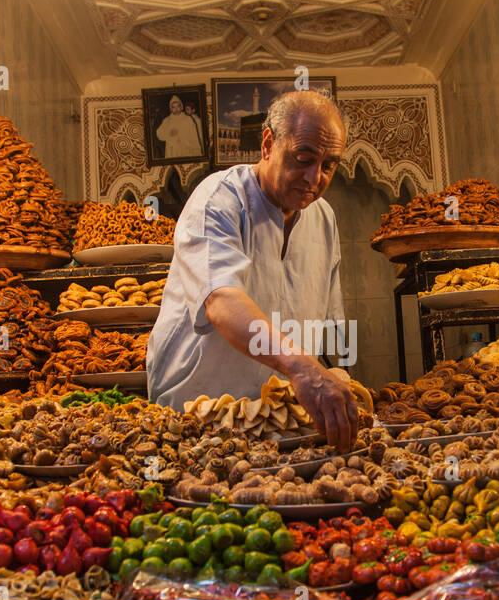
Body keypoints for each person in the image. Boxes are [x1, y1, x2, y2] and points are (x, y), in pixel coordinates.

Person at [147, 89, 362, 450]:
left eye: (329, 166)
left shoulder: (323, 218)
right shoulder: (219, 200)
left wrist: (338, 379)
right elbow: (221, 300)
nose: (314, 178)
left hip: (278, 422)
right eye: (303, 158)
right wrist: (302, 368)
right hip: (197, 415)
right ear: (267, 145)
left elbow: (328, 322)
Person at [155, 95, 203, 159]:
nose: (176, 109)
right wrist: (168, 133)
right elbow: (159, 134)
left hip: (186, 150)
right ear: (170, 109)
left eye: (178, 106)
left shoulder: (188, 119)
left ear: (181, 107)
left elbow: (195, 135)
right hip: (173, 151)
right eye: (173, 107)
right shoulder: (167, 120)